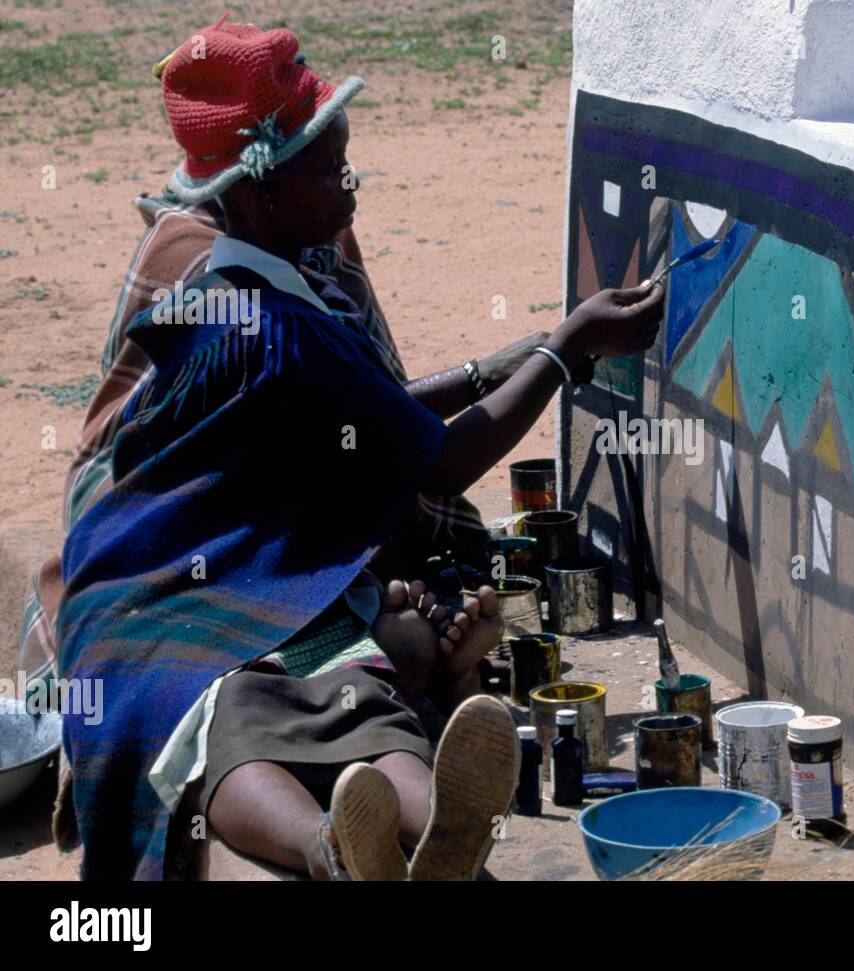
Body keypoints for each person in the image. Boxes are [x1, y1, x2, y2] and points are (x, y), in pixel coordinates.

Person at [55, 16, 664, 880]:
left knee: (356, 687)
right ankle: (330, 847)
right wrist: (565, 353)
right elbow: (443, 459)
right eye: (329, 168)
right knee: (221, 711)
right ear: (259, 192)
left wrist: (507, 360)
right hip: (150, 594)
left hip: (245, 567)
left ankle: (443, 823)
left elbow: (362, 409)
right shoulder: (280, 326)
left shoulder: (238, 284)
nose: (352, 182)